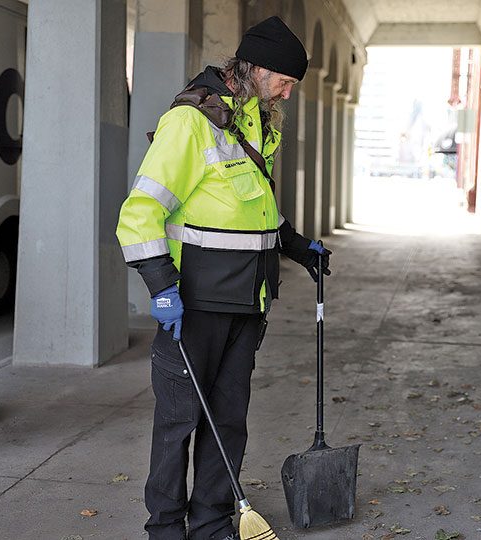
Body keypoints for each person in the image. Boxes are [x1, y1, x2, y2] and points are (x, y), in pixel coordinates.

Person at [115, 16, 331, 540]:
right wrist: (161, 286)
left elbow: (253, 211)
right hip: (194, 304)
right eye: (283, 78)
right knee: (179, 423)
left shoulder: (262, 123)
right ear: (253, 66)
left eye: (293, 84)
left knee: (228, 422)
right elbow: (140, 211)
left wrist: (296, 245)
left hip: (247, 302)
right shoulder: (190, 122)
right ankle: (166, 528)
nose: (288, 89)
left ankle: (212, 524)